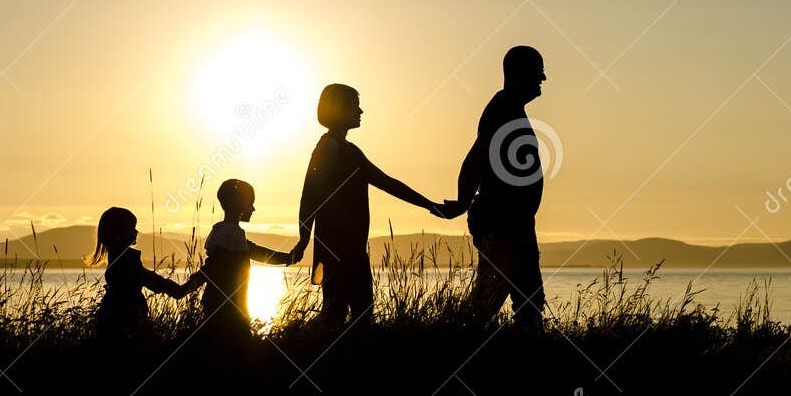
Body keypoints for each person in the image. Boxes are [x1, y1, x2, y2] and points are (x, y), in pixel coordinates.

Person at [292, 83, 450, 326]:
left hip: (354, 250)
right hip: (336, 249)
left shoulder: (351, 151)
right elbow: (309, 194)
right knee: (336, 315)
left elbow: (388, 183)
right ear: (339, 109)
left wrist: (430, 205)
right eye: (355, 105)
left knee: (359, 315)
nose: (361, 111)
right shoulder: (328, 148)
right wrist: (304, 237)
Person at [452, 46, 549, 326]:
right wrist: (461, 202)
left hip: (516, 222)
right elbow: (474, 159)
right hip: (503, 221)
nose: (543, 78)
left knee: (529, 300)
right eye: (538, 70)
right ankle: (457, 350)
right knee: (488, 300)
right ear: (519, 73)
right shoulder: (503, 109)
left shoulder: (511, 109)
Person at [193, 178, 295, 334]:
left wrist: (288, 258)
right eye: (250, 203)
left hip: (224, 306)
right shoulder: (231, 233)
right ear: (238, 205)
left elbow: (256, 252)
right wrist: (186, 288)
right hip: (227, 311)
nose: (253, 209)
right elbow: (213, 267)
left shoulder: (227, 231)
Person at [91, 206, 200, 341]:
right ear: (120, 232)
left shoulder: (117, 259)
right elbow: (162, 286)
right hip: (126, 328)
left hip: (111, 325)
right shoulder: (128, 262)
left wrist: (184, 288)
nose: (136, 231)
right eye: (132, 227)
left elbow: (159, 284)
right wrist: (196, 281)